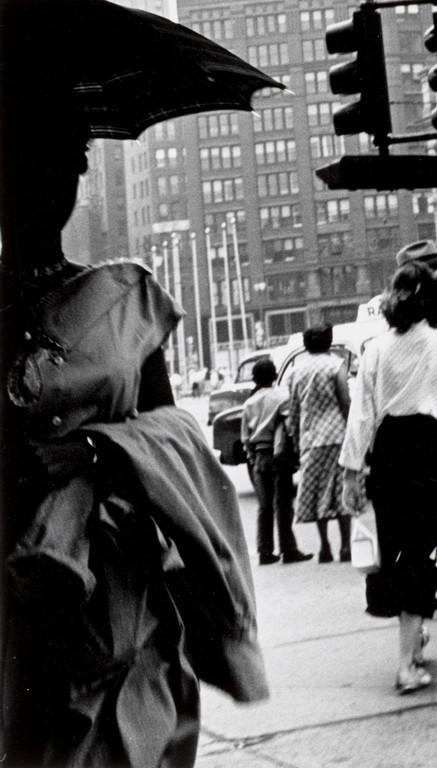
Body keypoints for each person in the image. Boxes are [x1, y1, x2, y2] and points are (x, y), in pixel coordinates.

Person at [0, 98, 267, 765]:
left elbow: (174, 436)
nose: (41, 187)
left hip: (113, 592)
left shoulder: (127, 302)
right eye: (19, 167)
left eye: (60, 166)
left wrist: (96, 450)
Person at [340, 263, 437, 693]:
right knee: (420, 553)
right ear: (433, 296)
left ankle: (415, 636)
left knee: (398, 552)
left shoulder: (374, 349)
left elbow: (361, 415)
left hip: (390, 449)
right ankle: (406, 665)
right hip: (431, 447)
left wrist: (352, 472)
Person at [288, 321, 352, 564]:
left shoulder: (296, 372)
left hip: (310, 438)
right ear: (329, 341)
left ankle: (325, 546)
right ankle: (345, 545)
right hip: (337, 435)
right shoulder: (336, 366)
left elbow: (293, 409)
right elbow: (345, 401)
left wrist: (295, 439)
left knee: (316, 492)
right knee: (339, 491)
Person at [241, 357, 311, 567]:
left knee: (264, 506)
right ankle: (288, 549)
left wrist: (252, 454)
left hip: (259, 457)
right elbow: (291, 427)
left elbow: (245, 437)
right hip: (279, 455)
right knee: (283, 504)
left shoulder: (249, 403)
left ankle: (265, 551)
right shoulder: (282, 397)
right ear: (274, 376)